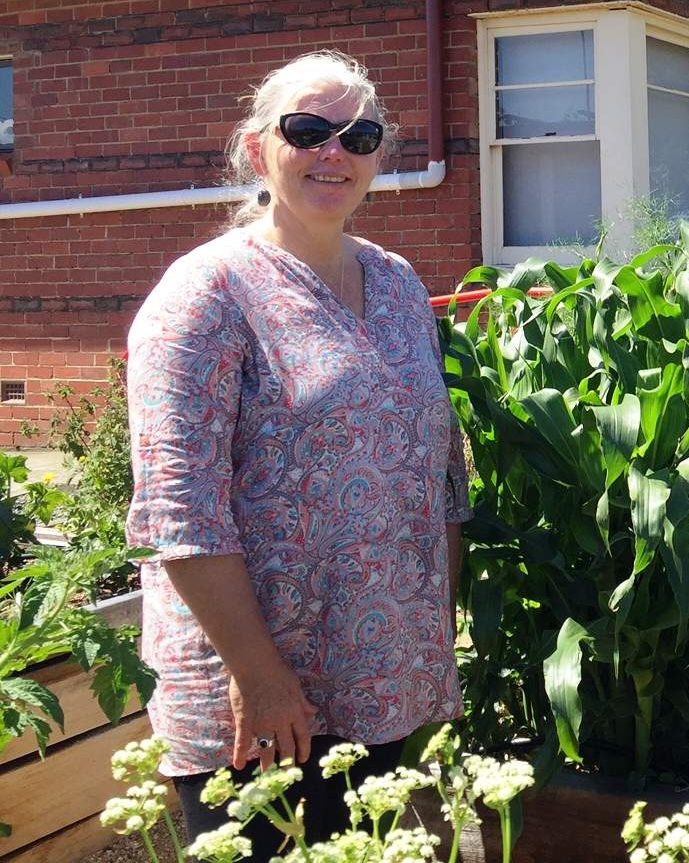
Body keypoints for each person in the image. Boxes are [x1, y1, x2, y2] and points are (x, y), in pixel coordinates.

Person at [126, 51, 472, 853]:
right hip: (260, 696)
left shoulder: (396, 282)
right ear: (258, 150)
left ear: (380, 157)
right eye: (308, 130)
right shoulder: (207, 293)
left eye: (359, 136)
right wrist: (259, 673)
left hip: (382, 675)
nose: (334, 153)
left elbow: (439, 463)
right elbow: (181, 509)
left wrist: (434, 618)